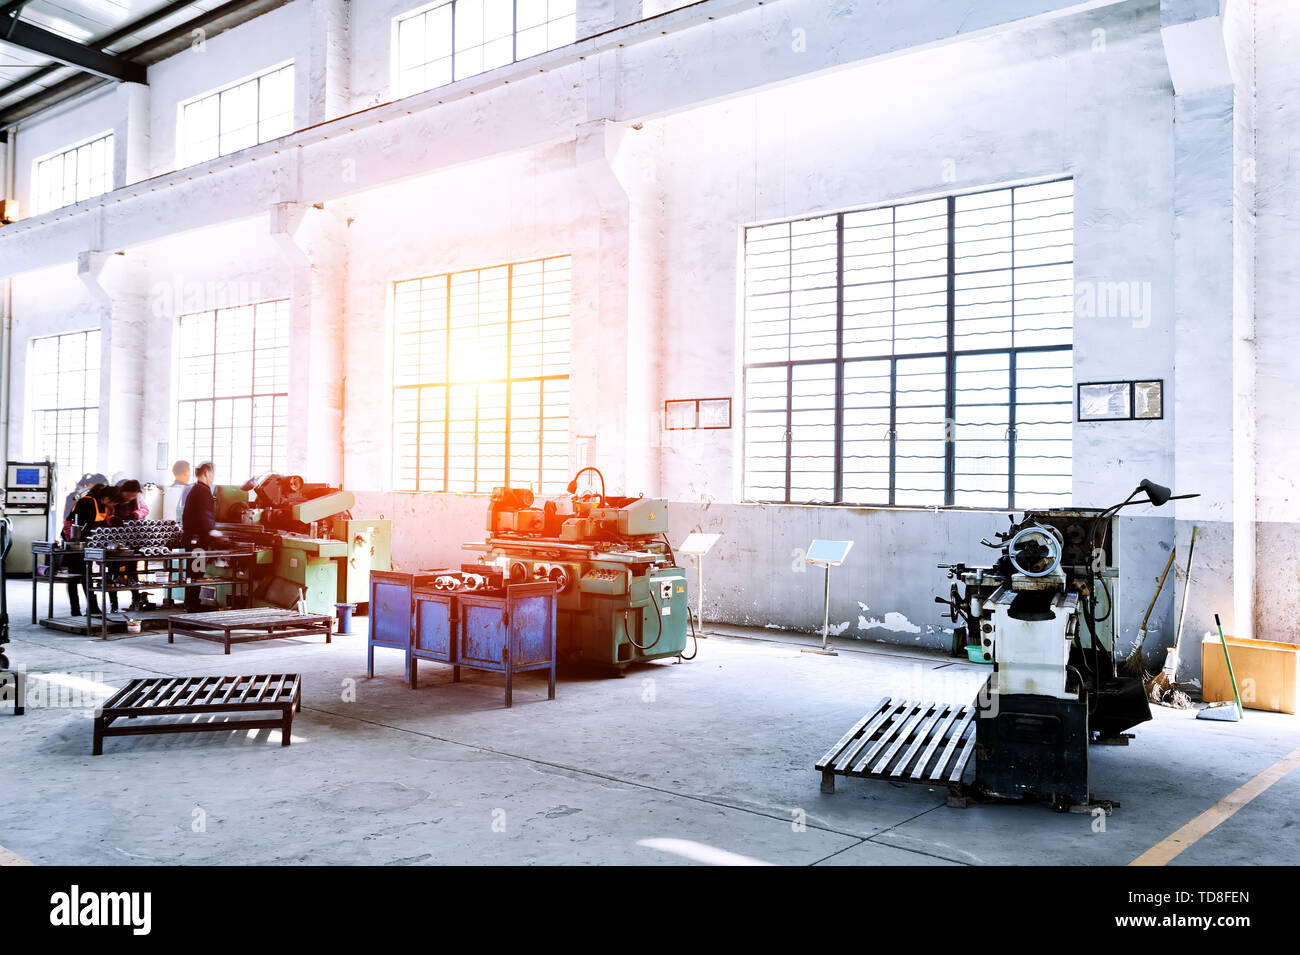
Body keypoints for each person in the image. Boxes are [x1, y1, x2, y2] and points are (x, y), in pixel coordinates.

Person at [63, 484, 123, 617]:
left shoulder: (101, 505)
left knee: (86, 576)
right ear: (107, 498)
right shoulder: (88, 502)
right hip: (75, 543)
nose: (112, 506)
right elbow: (82, 525)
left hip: (88, 543)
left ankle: (93, 607)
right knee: (74, 577)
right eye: (113, 502)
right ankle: (75, 610)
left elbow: (98, 523)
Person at [181, 462, 222, 613]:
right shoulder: (203, 491)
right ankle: (192, 604)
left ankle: (191, 602)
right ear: (206, 473)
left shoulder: (195, 489)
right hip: (197, 541)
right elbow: (205, 516)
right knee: (196, 572)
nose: (213, 478)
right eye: (212, 474)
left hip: (193, 538)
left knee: (194, 572)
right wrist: (214, 533)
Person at [163, 460, 191, 525]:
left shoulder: (168, 490)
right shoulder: (189, 490)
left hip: (167, 527)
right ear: (185, 473)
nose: (190, 475)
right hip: (181, 528)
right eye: (189, 472)